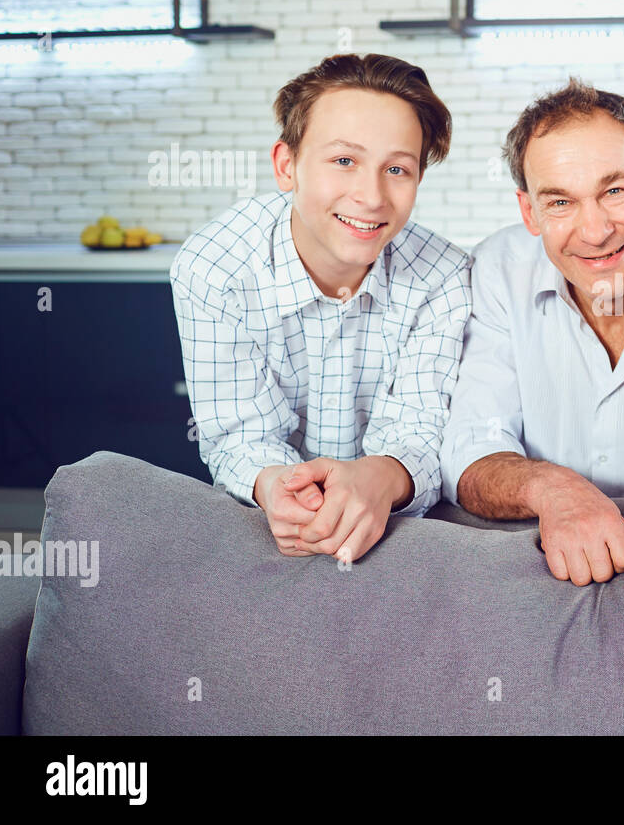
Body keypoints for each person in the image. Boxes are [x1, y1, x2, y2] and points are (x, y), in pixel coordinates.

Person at [170, 53, 470, 561]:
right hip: (266, 529)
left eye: (397, 169)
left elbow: (418, 430)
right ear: (287, 165)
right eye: (344, 161)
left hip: (400, 531)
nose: (372, 197)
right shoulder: (214, 269)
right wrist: (279, 488)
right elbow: (240, 437)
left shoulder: (444, 275)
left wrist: (380, 477)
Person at [439, 78, 624, 586]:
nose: (595, 231)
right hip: (539, 548)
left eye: (615, 190)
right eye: (560, 203)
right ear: (529, 212)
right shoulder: (497, 271)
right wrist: (556, 491)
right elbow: (470, 449)